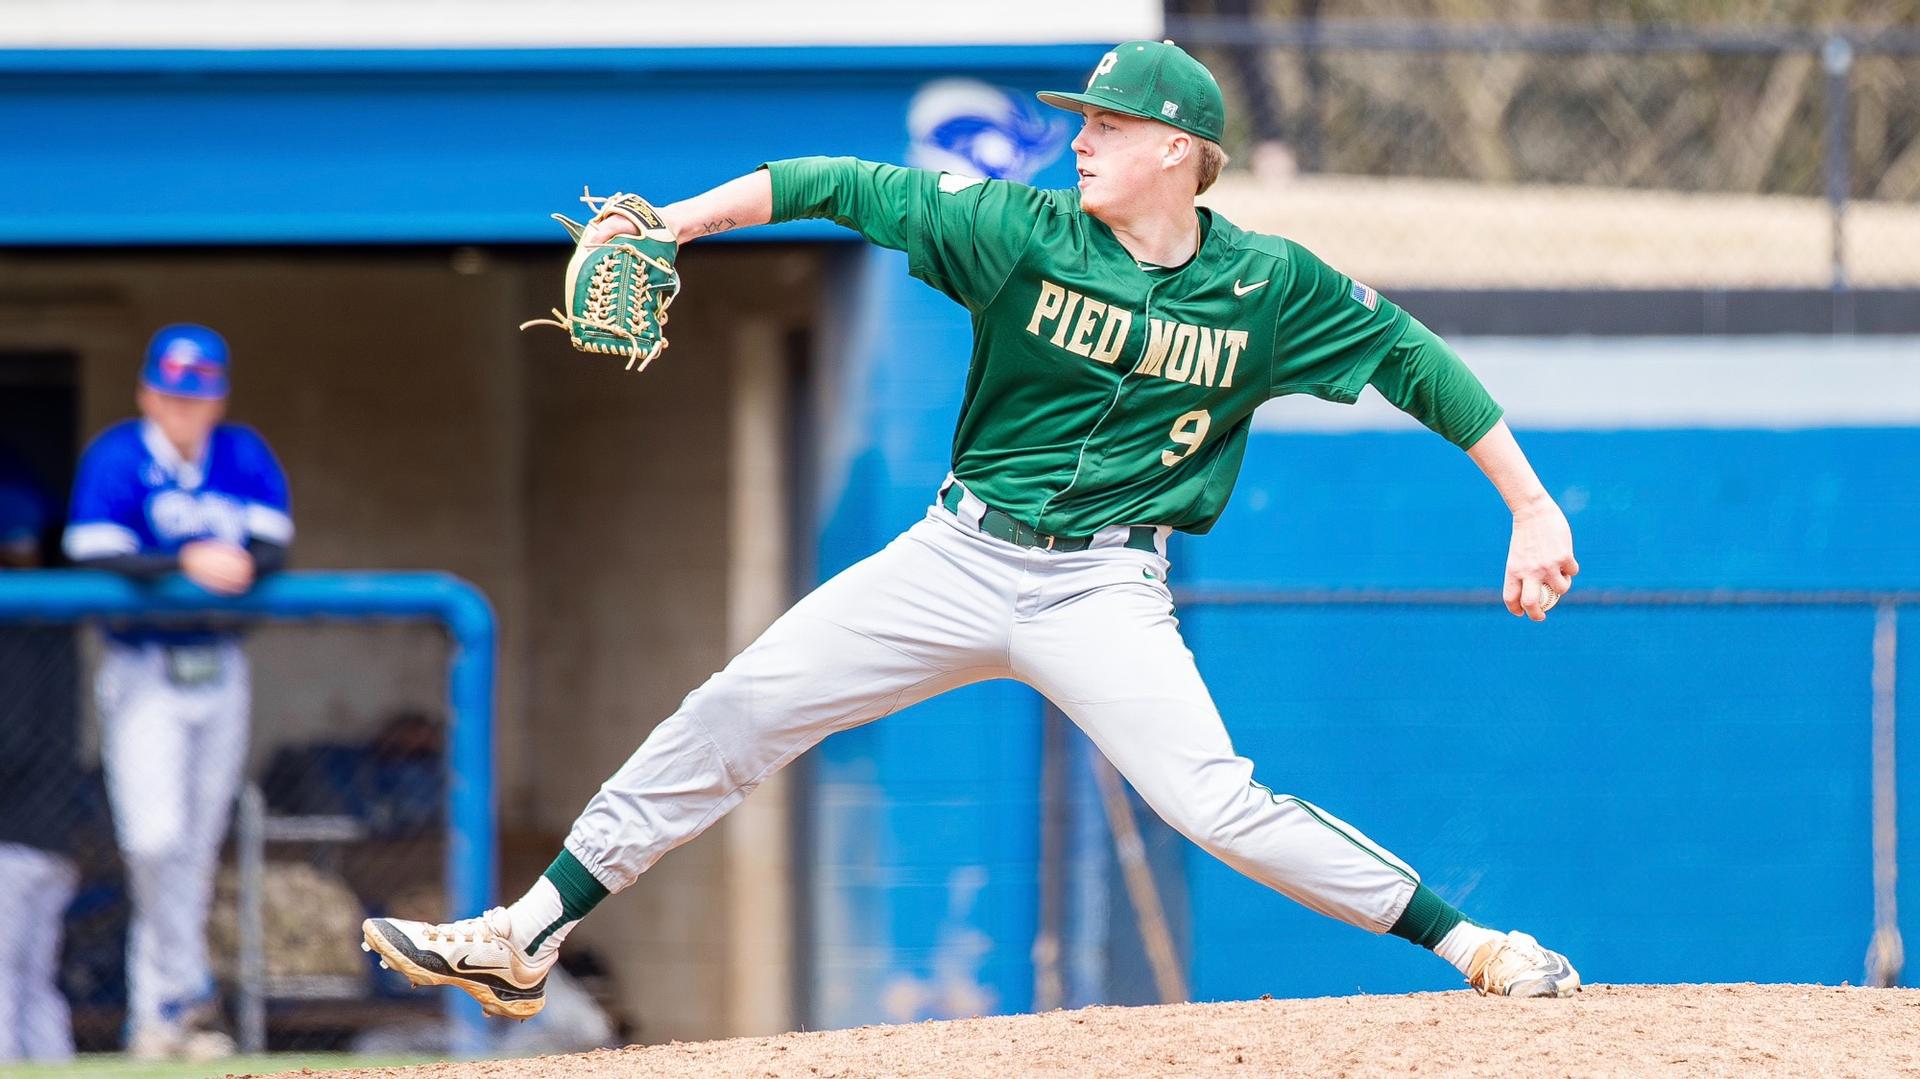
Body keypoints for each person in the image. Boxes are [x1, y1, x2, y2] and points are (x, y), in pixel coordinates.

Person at [364, 40, 1582, 1017]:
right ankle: (525, 934)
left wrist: (1528, 504)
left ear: (1179, 149)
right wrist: (673, 223)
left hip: (1106, 591)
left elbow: (1413, 362)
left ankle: (1475, 942)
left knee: (1215, 803)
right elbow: (832, 184)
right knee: (734, 711)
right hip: (955, 558)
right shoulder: (1017, 230)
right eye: (1082, 119)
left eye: (1107, 124)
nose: (1081, 138)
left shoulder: (1271, 287)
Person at [63, 324, 294, 1061]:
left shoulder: (241, 452)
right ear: (145, 392)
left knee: (195, 846)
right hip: (144, 666)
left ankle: (162, 1015)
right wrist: (182, 560)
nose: (181, 409)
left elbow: (273, 541)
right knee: (152, 840)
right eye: (169, 394)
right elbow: (91, 547)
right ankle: (181, 994)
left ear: (217, 398)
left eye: (195, 397)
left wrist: (232, 562)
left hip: (220, 664)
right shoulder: (119, 454)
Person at [0, 450, 81, 1063]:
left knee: (10, 990)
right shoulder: (58, 615)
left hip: (15, 840)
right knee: (33, 989)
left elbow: (12, 742)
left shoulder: (22, 621)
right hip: (51, 838)